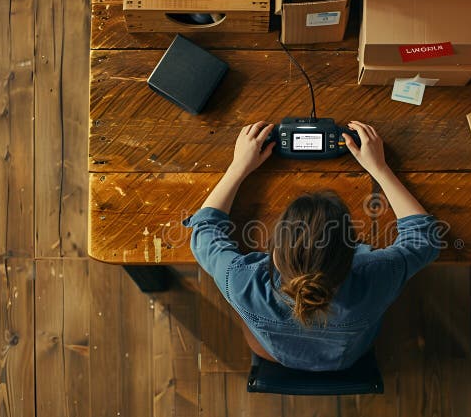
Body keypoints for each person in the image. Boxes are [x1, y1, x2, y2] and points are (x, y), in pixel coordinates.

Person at [182, 120, 441, 371]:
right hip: (346, 357)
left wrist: (238, 167)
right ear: (352, 253)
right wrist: (380, 168)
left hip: (273, 354)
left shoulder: (242, 280)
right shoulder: (377, 277)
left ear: (273, 254)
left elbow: (205, 232)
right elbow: (425, 237)